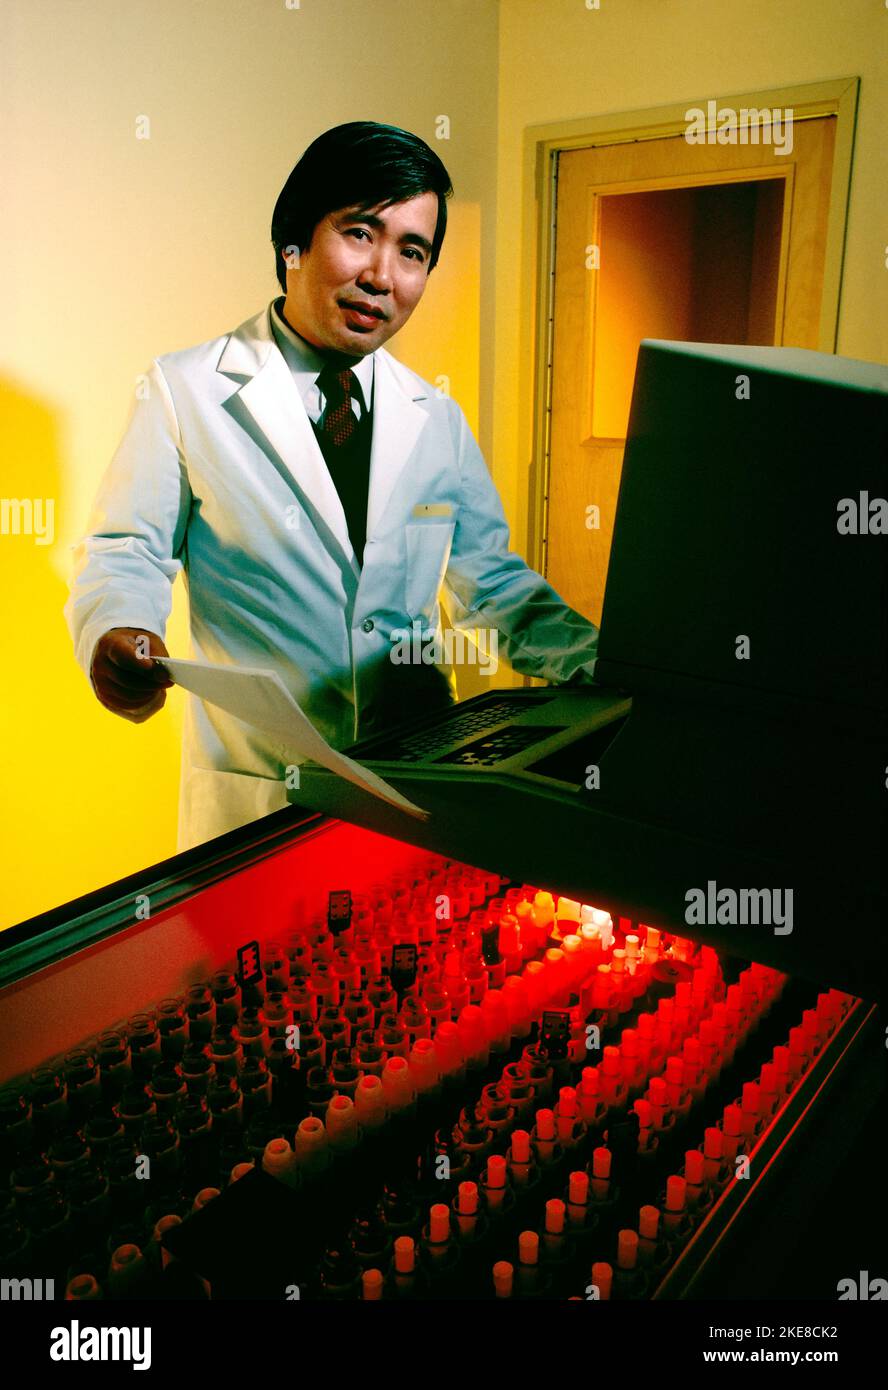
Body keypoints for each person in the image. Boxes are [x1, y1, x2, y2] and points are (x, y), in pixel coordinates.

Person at [64, 121, 600, 852]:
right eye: (359, 233)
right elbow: (127, 549)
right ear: (293, 242)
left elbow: (496, 584)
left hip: (417, 786)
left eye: (412, 252)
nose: (383, 275)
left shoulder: (434, 416)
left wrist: (601, 664)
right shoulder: (184, 389)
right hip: (261, 798)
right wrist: (116, 630)